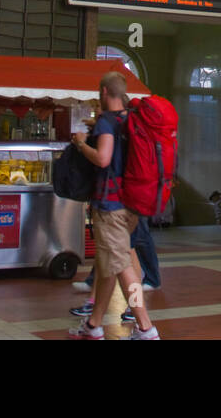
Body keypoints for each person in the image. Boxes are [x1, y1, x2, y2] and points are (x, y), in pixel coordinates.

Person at [67, 71, 160, 339]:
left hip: (110, 206)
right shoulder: (131, 120)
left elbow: (103, 159)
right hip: (131, 203)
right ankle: (93, 325)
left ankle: (145, 328)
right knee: (109, 264)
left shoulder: (107, 121)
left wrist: (82, 145)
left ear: (104, 92)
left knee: (121, 267)